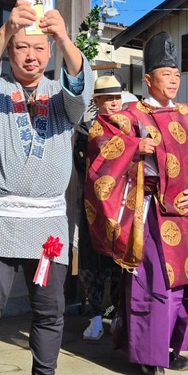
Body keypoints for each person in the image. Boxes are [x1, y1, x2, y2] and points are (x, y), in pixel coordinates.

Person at [83, 32, 188, 375]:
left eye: (177, 75)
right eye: (166, 75)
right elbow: (99, 139)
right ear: (149, 79)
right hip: (148, 211)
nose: (173, 80)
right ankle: (146, 353)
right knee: (151, 284)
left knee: (183, 285)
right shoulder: (131, 115)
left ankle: (171, 348)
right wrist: (133, 148)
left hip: (185, 213)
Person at [0, 0, 93, 375]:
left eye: (39, 48)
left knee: (50, 309)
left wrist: (65, 38)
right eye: (22, 47)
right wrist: (4, 30)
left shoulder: (61, 96)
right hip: (0, 219)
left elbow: (80, 87)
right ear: (11, 51)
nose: (31, 55)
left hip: (48, 225)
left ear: (49, 52)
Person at [73, 74, 124, 341]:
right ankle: (94, 318)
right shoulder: (86, 128)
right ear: (97, 101)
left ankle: (117, 315)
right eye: (108, 98)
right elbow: (85, 167)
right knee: (92, 262)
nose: (114, 103)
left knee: (119, 261)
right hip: (94, 204)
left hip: (122, 205)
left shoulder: (130, 126)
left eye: (117, 97)